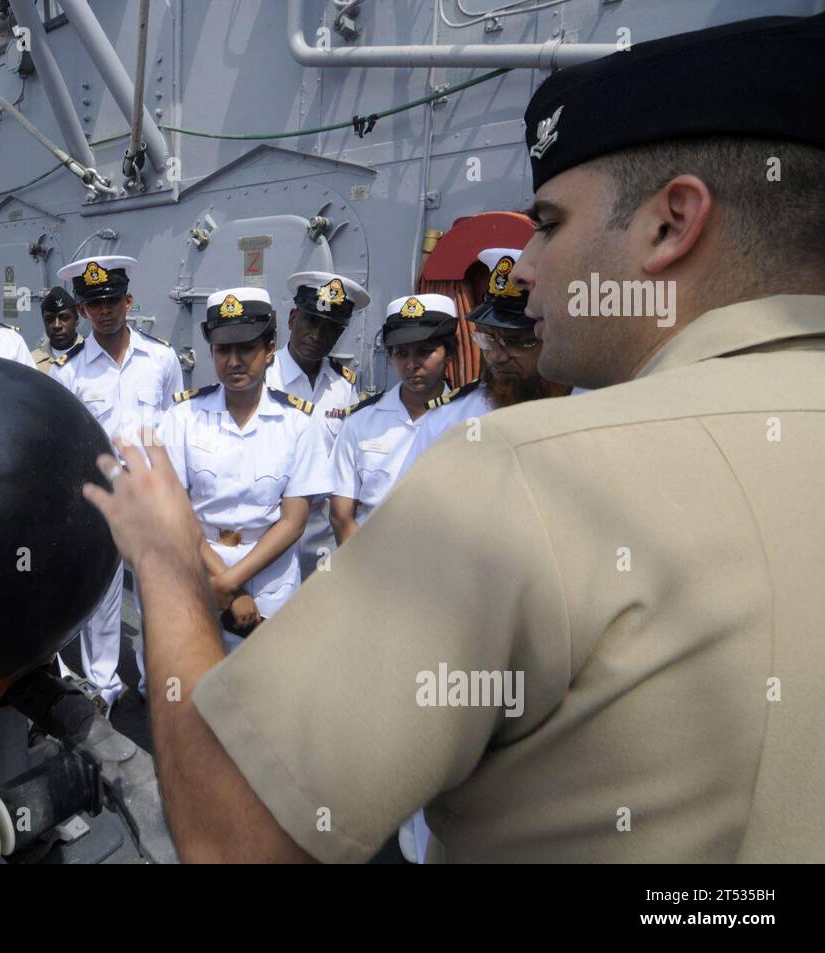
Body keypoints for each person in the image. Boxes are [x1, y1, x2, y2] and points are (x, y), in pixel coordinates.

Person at [80, 10, 825, 862]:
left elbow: (228, 837)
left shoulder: (519, 478)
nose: (530, 267)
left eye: (548, 222)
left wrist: (169, 562)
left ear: (670, 223)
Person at [158, 288, 334, 652]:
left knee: (266, 692)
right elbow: (172, 511)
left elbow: (293, 521)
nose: (234, 361)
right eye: (223, 350)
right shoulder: (183, 417)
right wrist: (225, 586)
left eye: (246, 348)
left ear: (270, 349)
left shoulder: (298, 422)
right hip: (199, 567)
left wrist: (230, 582)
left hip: (271, 580)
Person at [51, 254, 183, 710]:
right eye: (93, 303)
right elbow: (66, 441)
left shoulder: (162, 359)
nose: (104, 310)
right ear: (83, 311)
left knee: (155, 596)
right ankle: (104, 687)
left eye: (111, 300)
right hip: (103, 499)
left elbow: (173, 425)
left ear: (128, 301)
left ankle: (156, 680)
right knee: (103, 602)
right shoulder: (69, 372)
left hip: (150, 493)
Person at [394, 248, 571, 480]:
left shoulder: (591, 407)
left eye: (515, 342)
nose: (496, 356)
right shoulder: (449, 420)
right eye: (487, 339)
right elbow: (412, 502)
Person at [329, 293, 458, 543]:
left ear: (450, 352)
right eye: (401, 353)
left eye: (425, 352)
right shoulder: (361, 422)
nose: (412, 364)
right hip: (372, 562)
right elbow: (341, 516)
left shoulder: (470, 417)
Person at [265, 271, 369, 578]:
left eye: (331, 328)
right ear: (292, 318)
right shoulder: (263, 378)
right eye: (311, 321)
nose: (318, 334)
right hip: (269, 526)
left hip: (321, 534)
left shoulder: (342, 386)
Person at [31, 286, 83, 373]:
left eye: (64, 318)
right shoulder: (32, 362)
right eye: (50, 319)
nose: (57, 325)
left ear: (77, 320)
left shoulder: (92, 355)